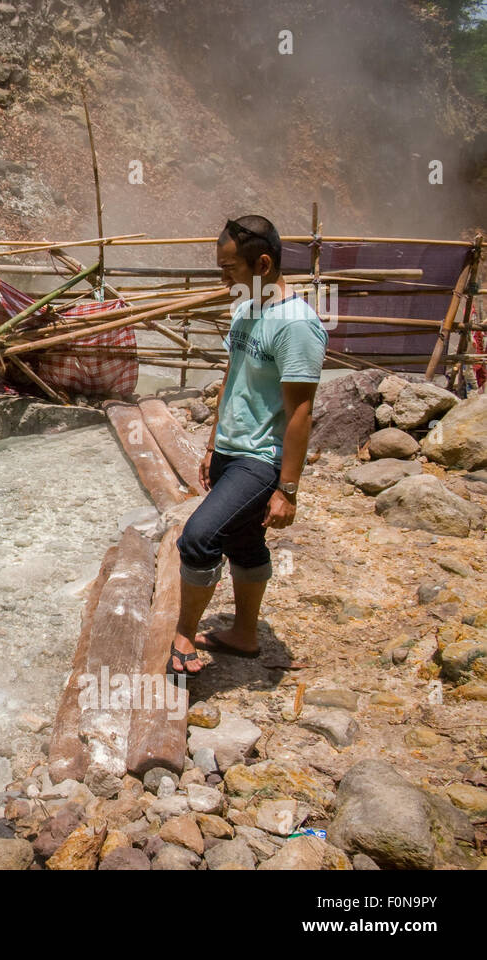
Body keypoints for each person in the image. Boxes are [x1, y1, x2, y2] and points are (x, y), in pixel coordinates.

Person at [168, 215, 327, 678]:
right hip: (231, 449)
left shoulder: (296, 325)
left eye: (230, 269)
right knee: (243, 539)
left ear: (262, 263)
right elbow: (231, 378)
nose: (224, 279)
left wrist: (288, 490)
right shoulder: (246, 309)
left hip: (262, 458)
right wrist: (214, 441)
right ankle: (245, 634)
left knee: (198, 539)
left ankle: (182, 634)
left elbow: (300, 411)